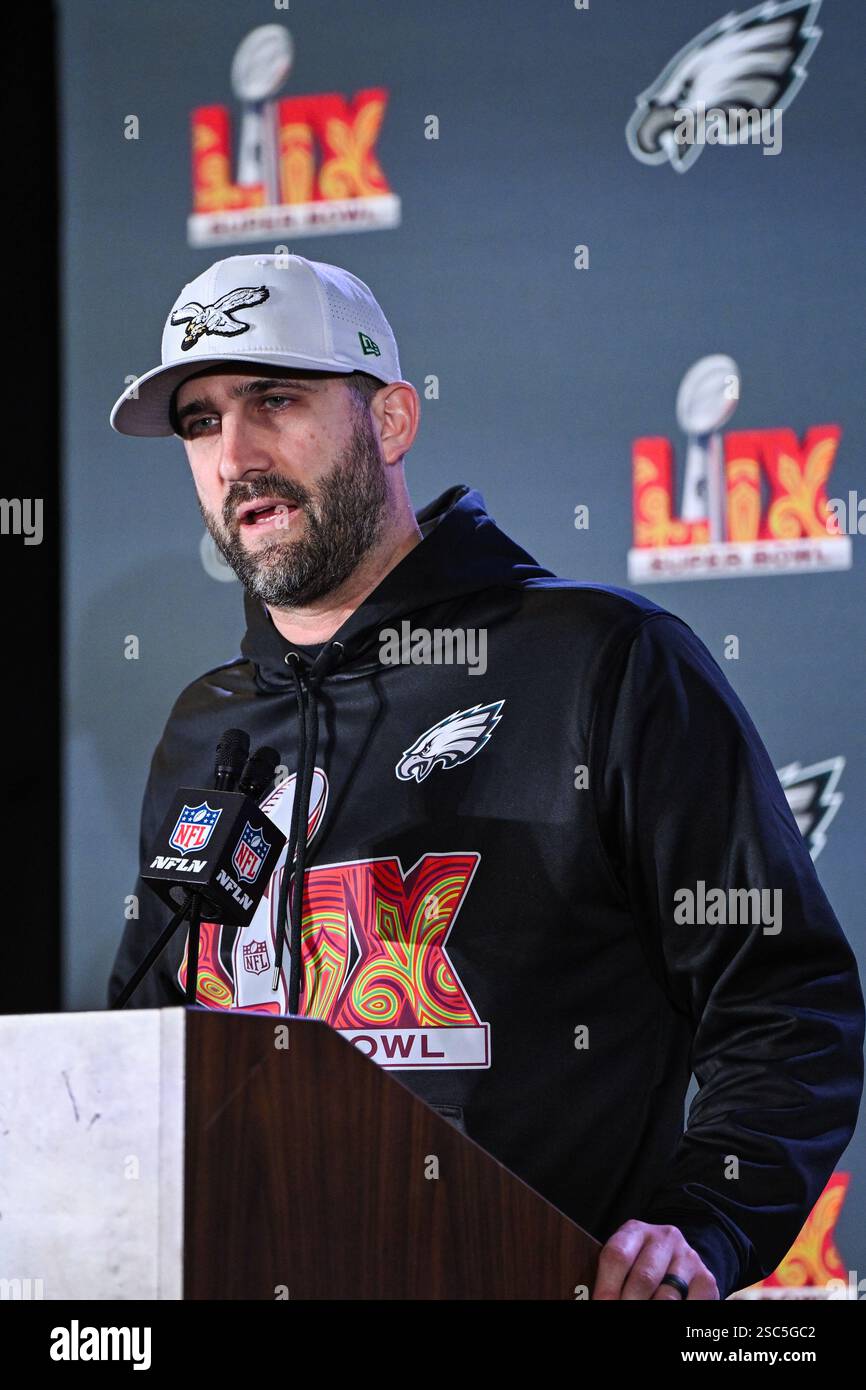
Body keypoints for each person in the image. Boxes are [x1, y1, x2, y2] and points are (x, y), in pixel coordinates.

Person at [107, 253, 864, 1301]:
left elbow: (784, 998)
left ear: (392, 422)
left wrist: (707, 1224)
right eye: (200, 421)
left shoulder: (598, 658)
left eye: (274, 399)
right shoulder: (209, 723)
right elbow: (147, 1043)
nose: (234, 453)